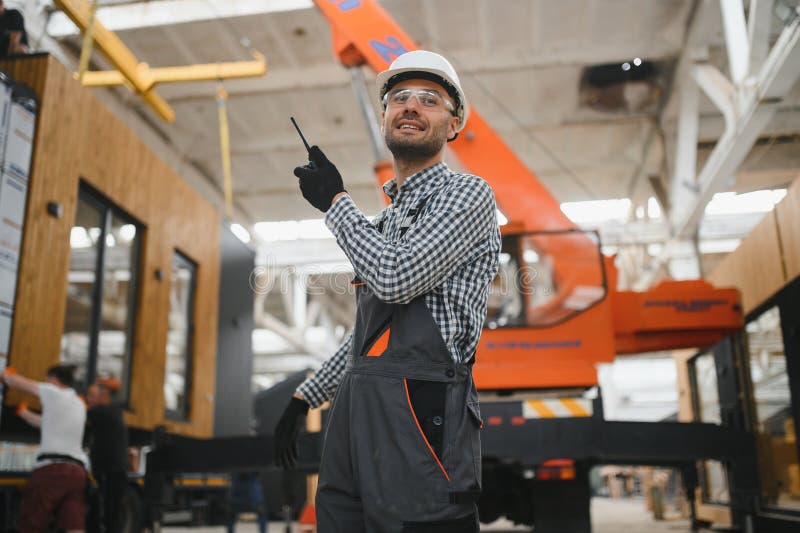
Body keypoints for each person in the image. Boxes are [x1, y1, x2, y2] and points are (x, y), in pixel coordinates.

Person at [275, 50, 501, 532]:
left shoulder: (468, 195)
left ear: (454, 123)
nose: (411, 106)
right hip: (358, 407)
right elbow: (368, 335)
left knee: (420, 522)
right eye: (399, 98)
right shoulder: (381, 223)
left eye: (430, 99)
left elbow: (397, 281)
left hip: (422, 405)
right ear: (384, 116)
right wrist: (304, 398)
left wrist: (336, 202)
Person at [1, 364, 88, 533]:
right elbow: (45, 423)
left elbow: (18, 383)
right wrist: (24, 412)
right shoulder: (79, 403)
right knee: (73, 522)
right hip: (76, 473)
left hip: (53, 470)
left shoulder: (52, 392)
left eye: (46, 379)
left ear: (53, 379)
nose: (45, 382)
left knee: (32, 521)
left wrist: (6, 374)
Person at [86, 378, 129, 533]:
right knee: (109, 510)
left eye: (91, 395)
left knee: (110, 511)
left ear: (103, 395)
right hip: (110, 470)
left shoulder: (107, 411)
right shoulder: (111, 411)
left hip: (111, 471)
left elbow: (85, 413)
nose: (88, 399)